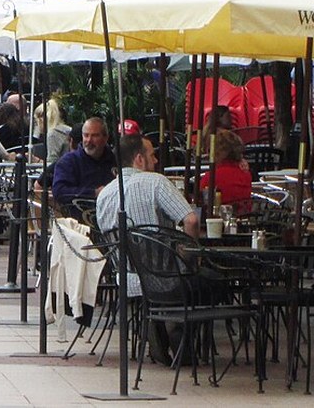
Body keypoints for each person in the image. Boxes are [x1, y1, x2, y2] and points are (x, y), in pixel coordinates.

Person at [96, 132, 199, 294]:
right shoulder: (156, 182)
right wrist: (187, 257)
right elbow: (191, 221)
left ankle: (156, 316)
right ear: (139, 159)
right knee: (214, 282)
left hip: (125, 281)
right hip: (166, 280)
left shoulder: (104, 194)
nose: (156, 160)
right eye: (152, 155)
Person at [52, 116, 117, 217]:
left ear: (105, 138)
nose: (89, 140)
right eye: (86, 135)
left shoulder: (115, 160)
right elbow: (59, 192)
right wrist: (93, 193)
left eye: (95, 136)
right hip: (80, 221)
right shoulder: (68, 162)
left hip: (112, 217)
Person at [199, 130, 252, 213]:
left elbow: (202, 205)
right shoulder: (246, 175)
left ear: (217, 152)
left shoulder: (210, 178)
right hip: (243, 219)